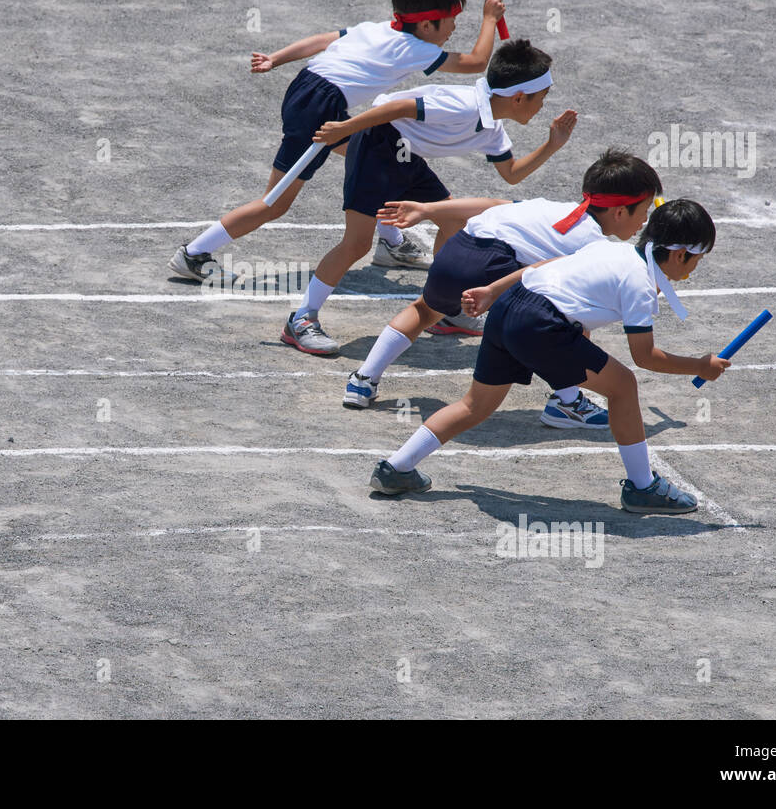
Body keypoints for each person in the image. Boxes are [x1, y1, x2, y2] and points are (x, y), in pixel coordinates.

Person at [369, 199, 729, 515]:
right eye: (698, 259)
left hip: (511, 305)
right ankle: (642, 487)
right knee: (622, 385)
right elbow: (645, 356)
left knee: (475, 404)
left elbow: (545, 265)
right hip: (539, 324)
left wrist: (494, 291)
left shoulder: (609, 249)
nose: (694, 269)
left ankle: (396, 468)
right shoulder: (638, 283)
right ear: (681, 253)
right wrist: (699, 366)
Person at [169, 0, 505, 283]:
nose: (454, 29)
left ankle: (390, 242)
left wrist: (277, 58)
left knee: (386, 157)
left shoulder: (377, 28)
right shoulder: (415, 49)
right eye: (452, 21)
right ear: (427, 25)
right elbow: (476, 62)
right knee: (275, 202)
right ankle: (194, 254)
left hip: (307, 91)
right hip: (318, 107)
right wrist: (489, 19)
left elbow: (321, 40)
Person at [281, 39, 575, 355]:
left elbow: (512, 173)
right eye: (541, 98)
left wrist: (552, 144)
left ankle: (445, 309)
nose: (543, 105)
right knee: (356, 243)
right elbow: (397, 108)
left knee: (456, 221)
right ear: (518, 98)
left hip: (406, 157)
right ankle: (301, 320)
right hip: (377, 146)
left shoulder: (491, 128)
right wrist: (345, 128)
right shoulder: (464, 105)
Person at [344, 149, 664, 433]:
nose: (645, 221)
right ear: (620, 211)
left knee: (424, 310)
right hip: (495, 263)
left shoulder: (549, 207)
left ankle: (362, 381)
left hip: (460, 248)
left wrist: (430, 210)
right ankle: (567, 402)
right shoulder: (593, 244)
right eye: (644, 210)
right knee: (570, 320)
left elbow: (494, 204)